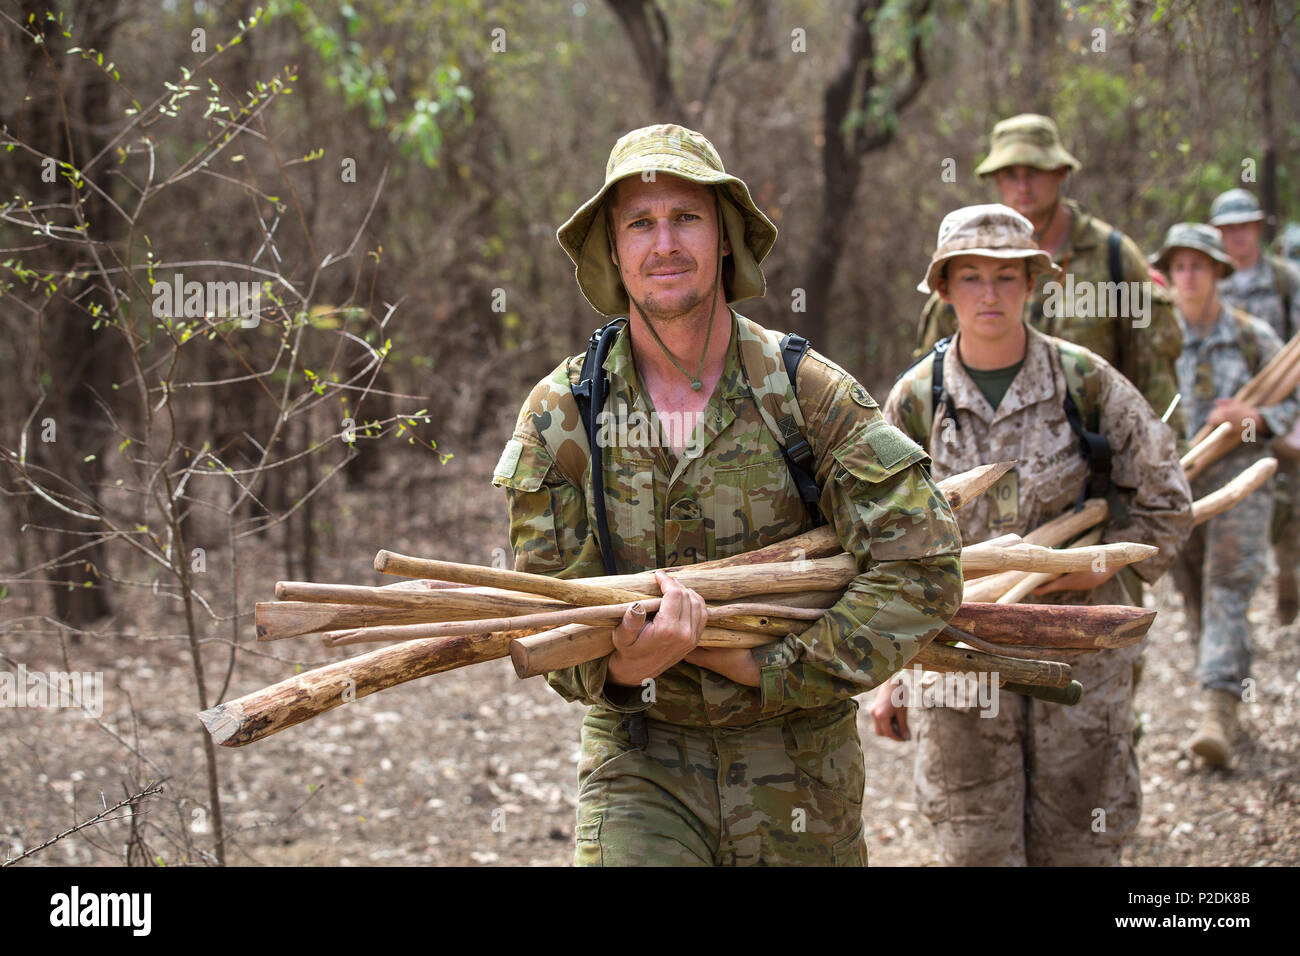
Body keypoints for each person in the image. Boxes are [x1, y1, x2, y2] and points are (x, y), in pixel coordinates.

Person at [493, 124, 964, 866]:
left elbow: (923, 569)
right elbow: (548, 607)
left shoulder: (807, 393)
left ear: (724, 238)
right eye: (639, 224)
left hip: (799, 763)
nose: (665, 243)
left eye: (687, 217)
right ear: (613, 251)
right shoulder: (562, 414)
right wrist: (623, 666)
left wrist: (766, 668)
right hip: (641, 756)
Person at [872, 204, 1193, 865]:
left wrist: (1096, 572)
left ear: (1031, 284)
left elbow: (1167, 503)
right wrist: (888, 675)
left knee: (1080, 846)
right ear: (944, 288)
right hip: (959, 661)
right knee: (976, 850)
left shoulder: (1087, 384)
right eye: (970, 278)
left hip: (1079, 661)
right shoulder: (915, 401)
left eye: (1006, 277)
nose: (989, 294)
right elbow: (879, 550)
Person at [914, 115, 1185, 443]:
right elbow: (931, 381)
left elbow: (1153, 371)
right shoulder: (965, 266)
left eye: (1034, 173)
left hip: (1096, 460)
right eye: (1010, 174)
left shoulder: (1113, 257)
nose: (1022, 186)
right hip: (985, 459)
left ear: (1060, 173)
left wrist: (1166, 455)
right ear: (996, 180)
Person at [1151, 222, 1300, 767]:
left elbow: (1294, 402)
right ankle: (1218, 702)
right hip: (1174, 488)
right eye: (1179, 267)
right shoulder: (1157, 338)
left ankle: (1218, 709)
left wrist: (1255, 417)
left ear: (1218, 272)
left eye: (1198, 266)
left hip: (1241, 483)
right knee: (1191, 593)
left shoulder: (1251, 334)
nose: (1188, 276)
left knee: (1227, 589)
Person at [1209, 189, 1300, 624]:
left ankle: (1288, 585)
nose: (1237, 236)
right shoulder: (1212, 281)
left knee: (1290, 512)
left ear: (1257, 228)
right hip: (1223, 430)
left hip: (1282, 417)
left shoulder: (1285, 280)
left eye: (1243, 227)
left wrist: (1275, 416)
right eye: (1227, 229)